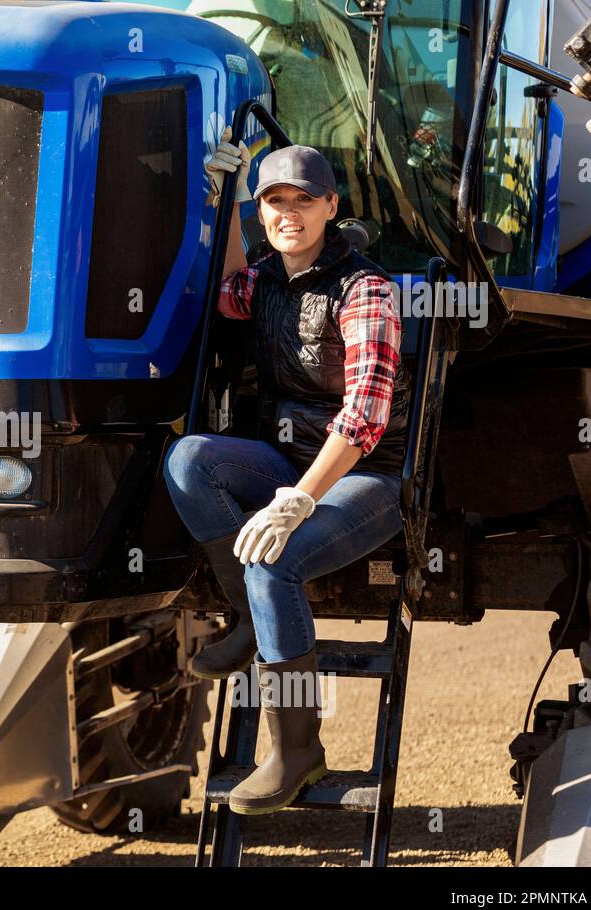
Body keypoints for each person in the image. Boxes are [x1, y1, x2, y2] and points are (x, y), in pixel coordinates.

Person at [163, 129, 411, 814]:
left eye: (303, 200)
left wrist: (297, 501)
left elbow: (364, 419)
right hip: (288, 461)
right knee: (189, 458)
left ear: (331, 207)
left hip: (368, 478)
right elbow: (226, 292)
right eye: (274, 201)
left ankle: (297, 747)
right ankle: (248, 618)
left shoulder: (366, 292)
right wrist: (226, 202)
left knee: (273, 563)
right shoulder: (267, 277)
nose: (287, 214)